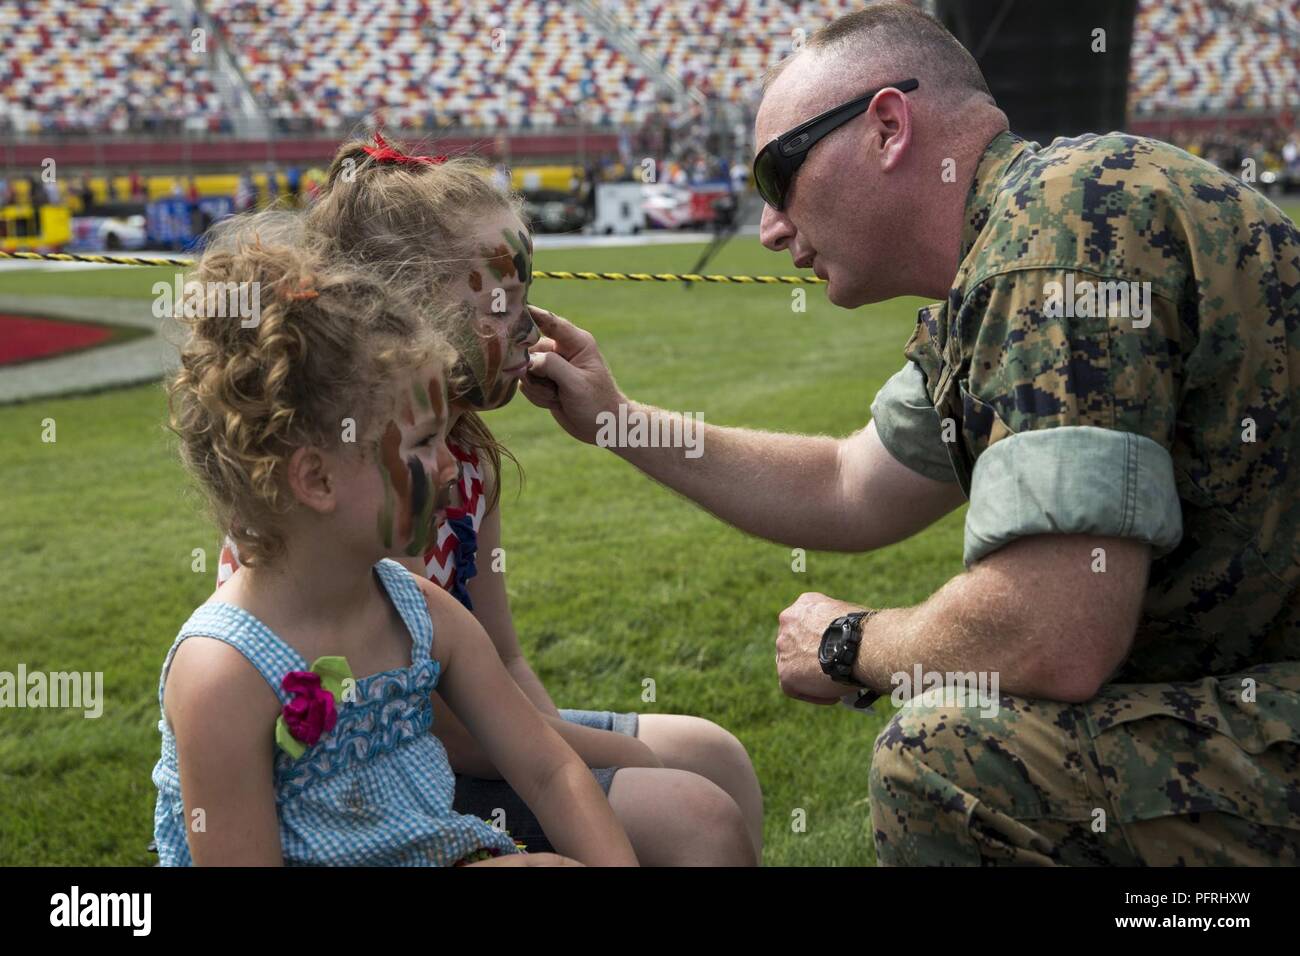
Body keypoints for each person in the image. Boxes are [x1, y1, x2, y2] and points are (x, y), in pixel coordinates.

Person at [520, 3, 1300, 866]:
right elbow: (848, 486)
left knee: (945, 760)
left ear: (888, 127)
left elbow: (1056, 629)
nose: (773, 228)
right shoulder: (1023, 243)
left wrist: (850, 643)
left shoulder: (1057, 236)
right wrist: (618, 421)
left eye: (777, 177)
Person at [216, 134, 762, 865]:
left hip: (479, 729)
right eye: (504, 299)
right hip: (381, 778)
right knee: (696, 812)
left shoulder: (457, 460)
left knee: (714, 754)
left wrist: (564, 750)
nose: (530, 325)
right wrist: (616, 761)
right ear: (402, 310)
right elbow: (444, 731)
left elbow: (501, 660)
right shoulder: (373, 488)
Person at [155, 214, 636, 866]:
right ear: (316, 478)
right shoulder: (226, 673)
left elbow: (551, 772)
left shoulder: (416, 611)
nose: (448, 465)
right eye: (422, 443)